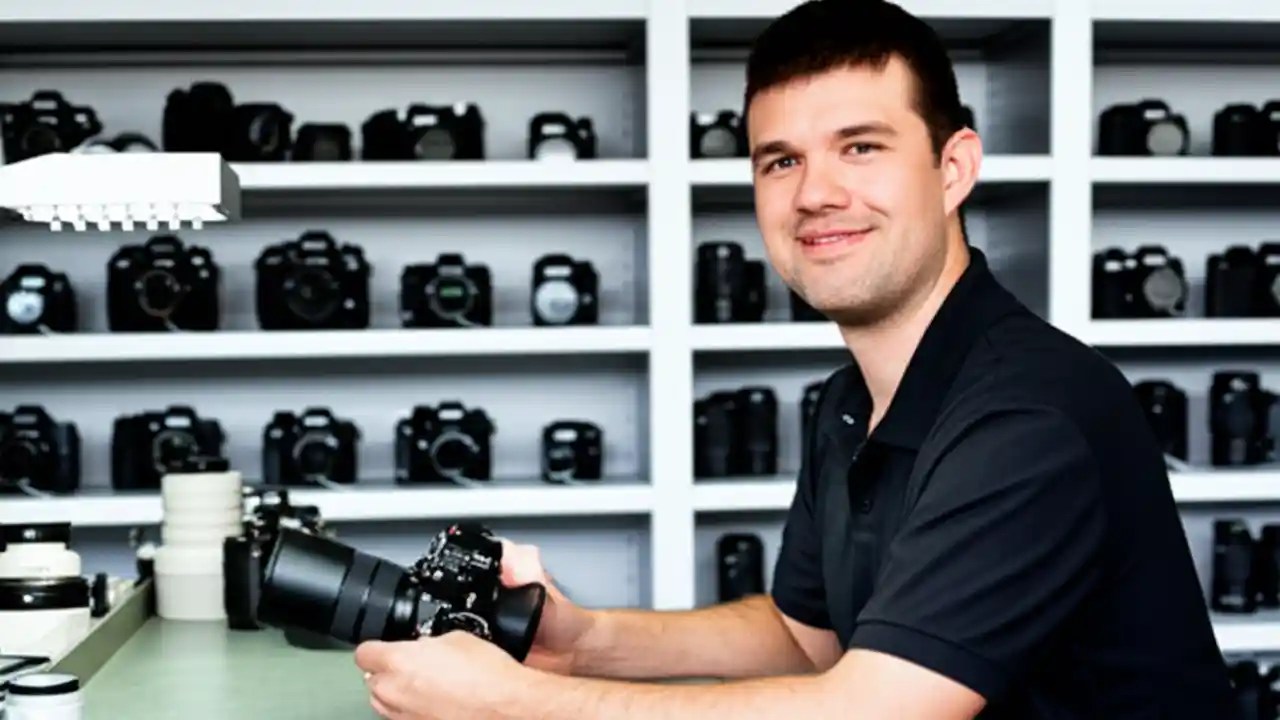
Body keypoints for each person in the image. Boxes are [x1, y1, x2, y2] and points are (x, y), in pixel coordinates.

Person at [352, 1, 1240, 717]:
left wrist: (515, 701)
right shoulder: (851, 400)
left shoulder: (1030, 418)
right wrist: (583, 639)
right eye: (781, 160)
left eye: (861, 146)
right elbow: (804, 635)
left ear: (953, 167)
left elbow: (871, 708)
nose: (816, 194)